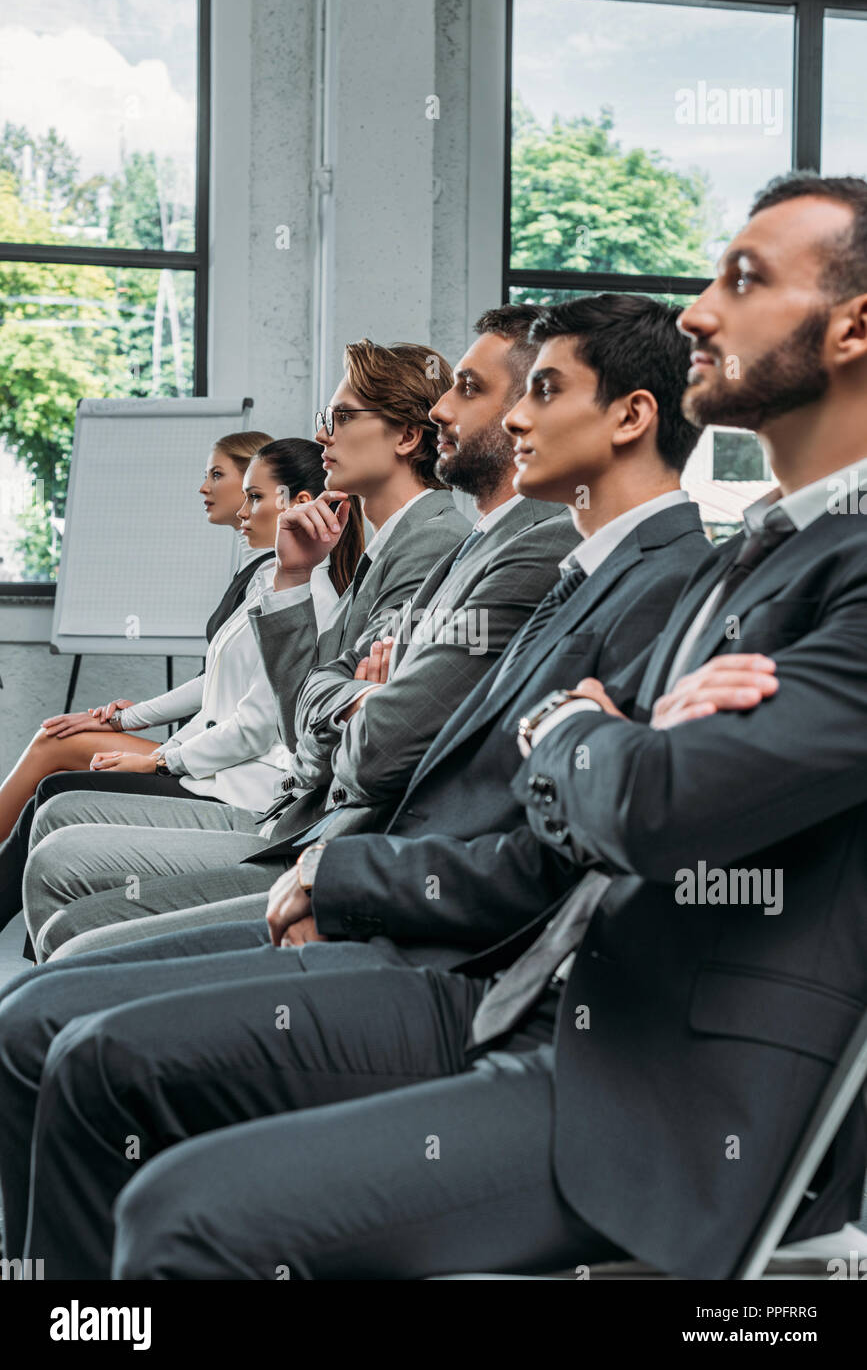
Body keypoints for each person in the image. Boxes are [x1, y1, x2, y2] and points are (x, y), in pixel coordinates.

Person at [3, 176, 867, 1281]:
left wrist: (577, 729)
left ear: (853, 326)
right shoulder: (757, 554)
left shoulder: (773, 565)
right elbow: (594, 785)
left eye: (742, 278)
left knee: (175, 1201)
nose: (700, 308)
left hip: (649, 1084)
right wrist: (607, 740)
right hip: (529, 981)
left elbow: (644, 806)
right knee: (68, 1050)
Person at [27, 305, 594, 955]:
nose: (323, 436)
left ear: (401, 438)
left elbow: (358, 742)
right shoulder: (436, 546)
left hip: (323, 830)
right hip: (303, 814)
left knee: (69, 891)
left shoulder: (456, 543)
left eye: (341, 418)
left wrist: (348, 693)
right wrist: (341, 668)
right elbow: (316, 702)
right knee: (60, 837)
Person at [0, 430, 274, 841]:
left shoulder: (274, 582)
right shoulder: (255, 571)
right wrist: (127, 718)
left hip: (220, 768)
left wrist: (128, 720)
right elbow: (219, 682)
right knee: (54, 746)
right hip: (201, 751)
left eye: (217, 475)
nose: (204, 487)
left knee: (52, 744)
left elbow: (223, 695)